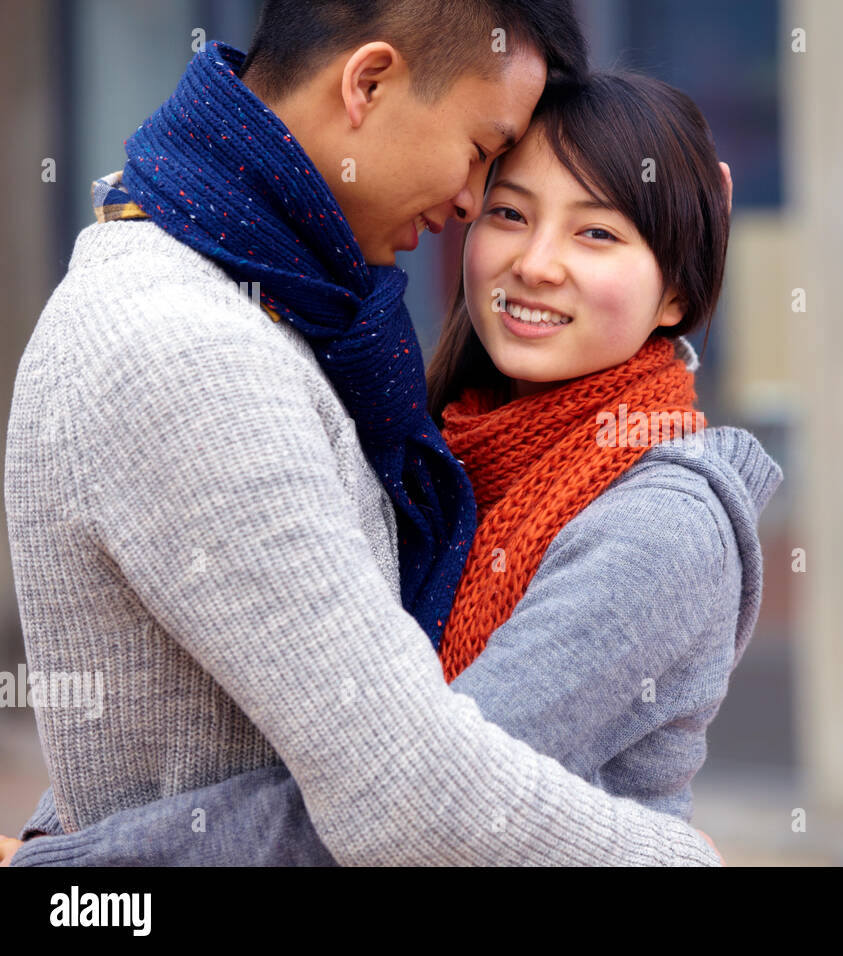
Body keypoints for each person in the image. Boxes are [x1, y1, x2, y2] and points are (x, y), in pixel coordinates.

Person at [0, 0, 730, 866]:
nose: (469, 200)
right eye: (485, 162)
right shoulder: (193, 349)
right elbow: (401, 785)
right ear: (369, 83)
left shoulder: (267, 303)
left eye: (599, 231)